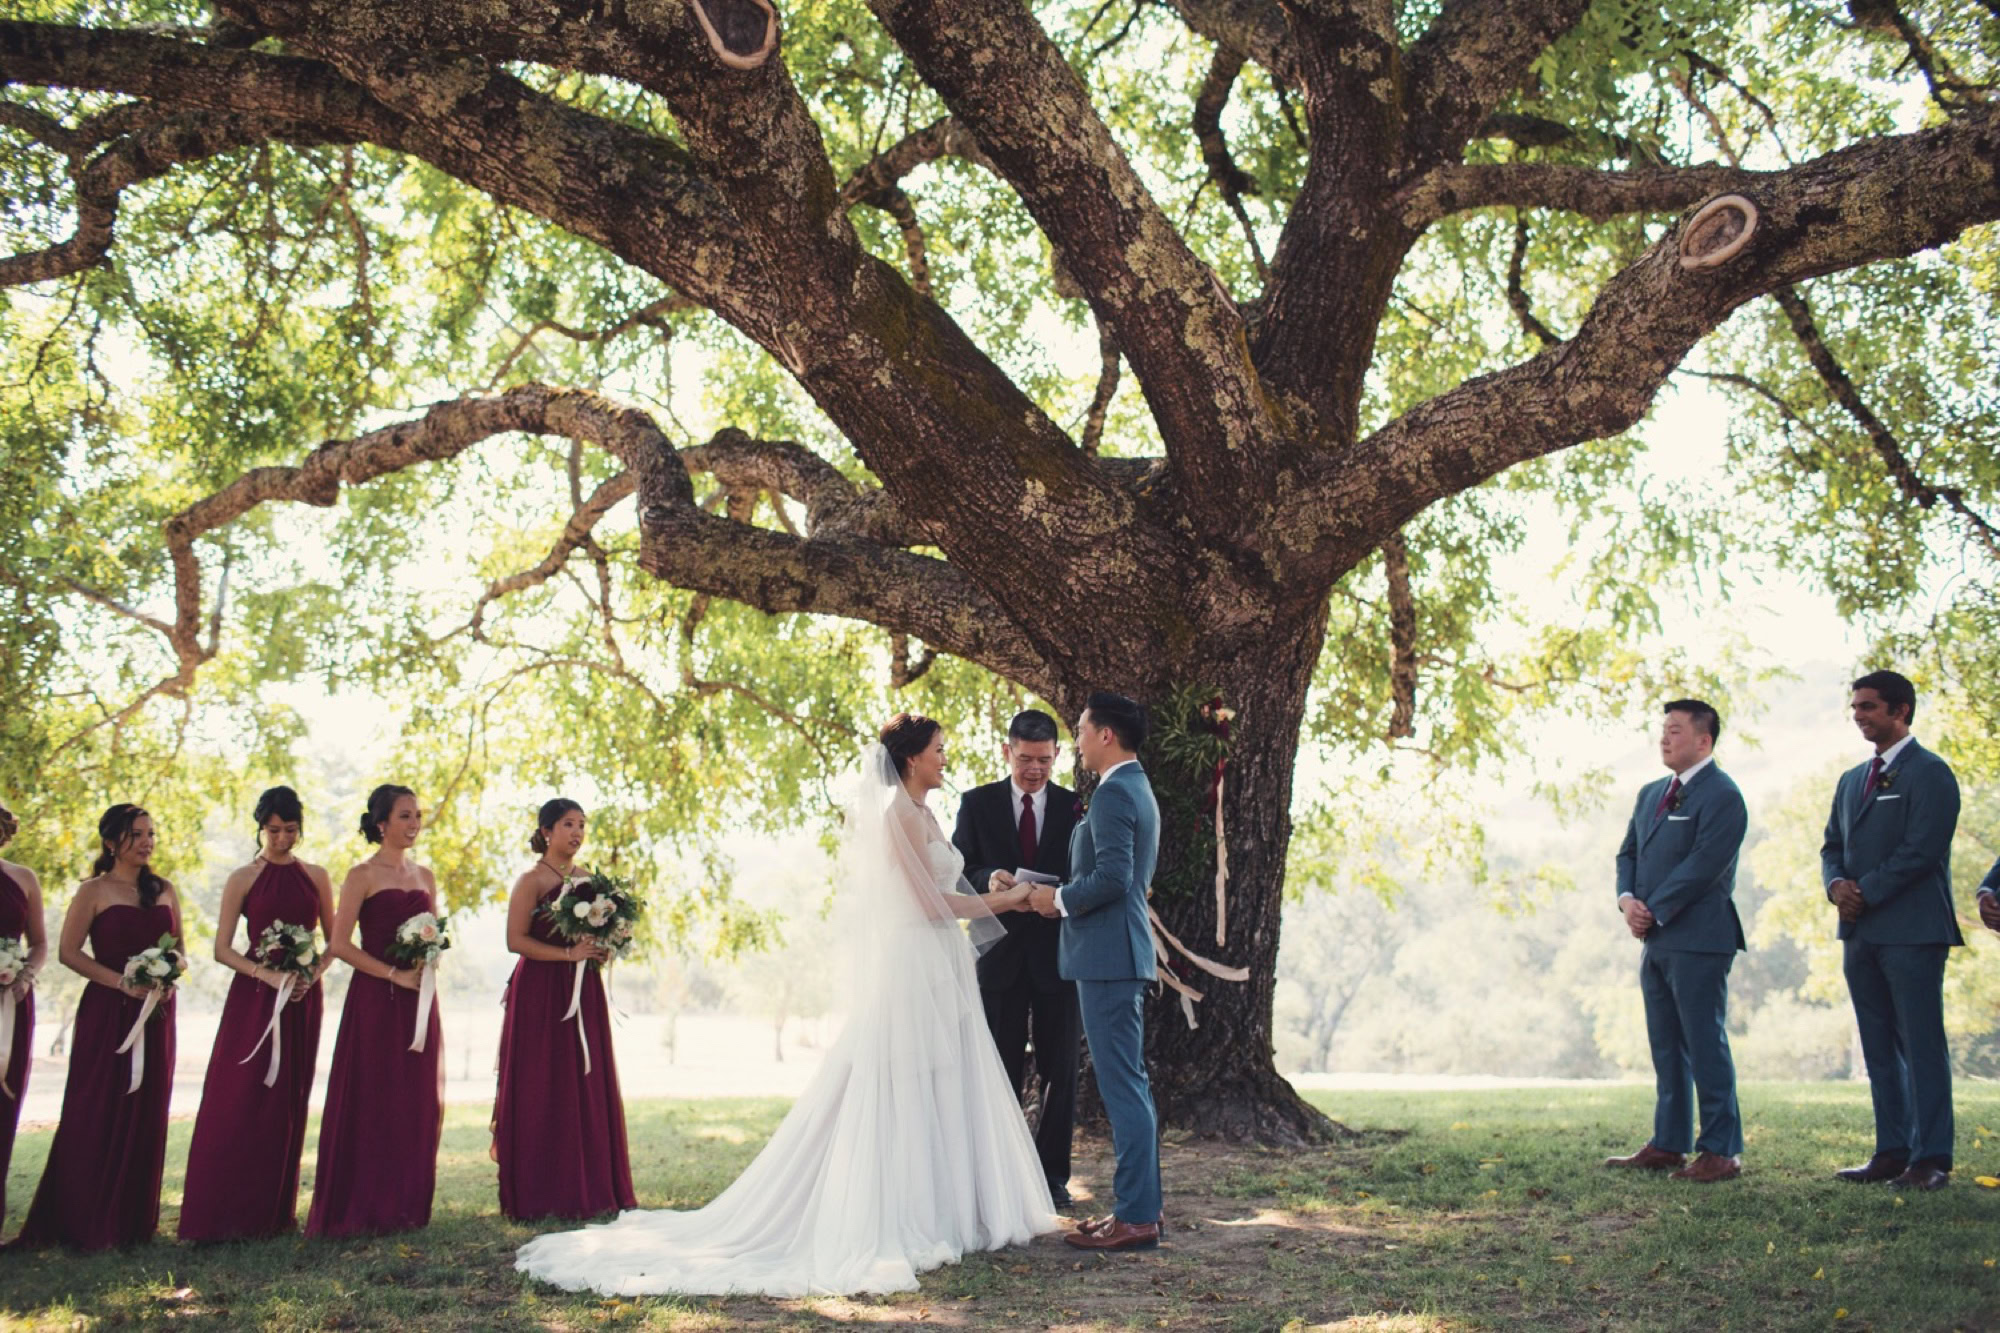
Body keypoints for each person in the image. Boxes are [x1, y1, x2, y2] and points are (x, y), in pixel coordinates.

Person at [515, 715, 1058, 1297]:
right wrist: (1012, 902)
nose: (945, 758)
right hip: (913, 962)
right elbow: (929, 905)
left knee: (940, 1077)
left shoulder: (924, 812)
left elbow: (944, 887)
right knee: (901, 1077)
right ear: (911, 759)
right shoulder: (898, 815)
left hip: (937, 962)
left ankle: (950, 1209)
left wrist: (995, 888)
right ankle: (904, 1211)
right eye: (938, 750)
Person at [1022, 691, 1163, 1252]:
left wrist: (1055, 901)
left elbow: (1112, 879)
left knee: (1122, 1087)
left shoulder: (1115, 793)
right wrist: (1051, 892)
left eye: (1080, 730)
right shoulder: (1131, 787)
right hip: (1114, 956)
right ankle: (1139, 1209)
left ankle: (1136, 1218)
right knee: (1130, 1084)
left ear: (1106, 734)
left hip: (1108, 960)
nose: (1076, 740)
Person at [11, 805, 181, 1250]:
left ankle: (133, 1222)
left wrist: (166, 978)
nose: (146, 842)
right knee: (96, 1109)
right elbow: (68, 953)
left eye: (150, 833)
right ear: (110, 842)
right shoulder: (93, 891)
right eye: (136, 834)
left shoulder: (164, 889)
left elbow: (178, 950)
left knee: (146, 1109)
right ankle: (82, 1220)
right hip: (108, 1013)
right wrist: (123, 983)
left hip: (156, 1015)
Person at [1823, 670, 1962, 1192]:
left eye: (1868, 706)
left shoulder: (1931, 774)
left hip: (1912, 930)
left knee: (1921, 1045)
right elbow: (1831, 846)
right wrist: (1836, 884)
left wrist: (1865, 891)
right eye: (1854, 706)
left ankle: (1931, 1158)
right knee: (1877, 1045)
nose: (1857, 715)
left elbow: (1922, 850)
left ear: (1900, 710)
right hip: (1859, 932)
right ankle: (1892, 1151)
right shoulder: (1850, 780)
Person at [180, 786, 335, 1241]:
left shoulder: (317, 876)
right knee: (239, 1096)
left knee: (286, 1101)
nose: (282, 839)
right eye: (274, 830)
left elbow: (335, 942)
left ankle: (272, 1212)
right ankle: (222, 1211)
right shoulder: (242, 878)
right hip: (254, 998)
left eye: (291, 830)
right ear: (261, 827)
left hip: (301, 999)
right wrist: (267, 976)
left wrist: (310, 975)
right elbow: (222, 949)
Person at [1603, 700, 1748, 1183]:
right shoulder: (1650, 794)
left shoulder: (1724, 795)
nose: (1665, 738)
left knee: (1705, 1044)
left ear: (1704, 741)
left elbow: (1705, 866)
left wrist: (1654, 909)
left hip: (1701, 938)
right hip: (1655, 939)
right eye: (1663, 730)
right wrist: (1628, 901)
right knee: (1665, 1046)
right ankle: (1668, 1144)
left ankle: (1721, 1151)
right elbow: (1627, 854)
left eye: (1676, 731)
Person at [951, 709, 1082, 1208]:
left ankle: (1052, 1179)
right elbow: (958, 869)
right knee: (997, 1070)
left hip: (1058, 957)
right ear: (1007, 752)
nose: (1035, 769)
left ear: (1057, 755)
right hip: (998, 956)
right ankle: (997, 1178)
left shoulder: (1075, 807)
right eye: (1026, 759)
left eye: (1045, 760)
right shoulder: (976, 803)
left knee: (1060, 1072)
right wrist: (990, 879)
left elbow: (1084, 874)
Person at [305, 784, 445, 1237]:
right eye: (405, 816)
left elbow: (434, 933)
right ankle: (364, 1203)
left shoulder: (425, 876)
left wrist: (428, 962)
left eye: (417, 815)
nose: (414, 823)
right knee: (373, 1098)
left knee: (413, 1099)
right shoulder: (361, 875)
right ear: (381, 824)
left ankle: (406, 1204)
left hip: (418, 998)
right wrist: (392, 975)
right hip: (375, 1000)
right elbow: (339, 944)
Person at [491, 797, 636, 1221]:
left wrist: (600, 949)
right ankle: (540, 1189)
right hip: (539, 991)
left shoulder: (591, 881)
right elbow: (515, 940)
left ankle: (590, 1182)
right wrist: (567, 954)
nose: (577, 833)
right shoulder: (531, 881)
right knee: (542, 1081)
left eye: (582, 825)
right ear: (546, 831)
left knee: (584, 1080)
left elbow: (600, 932)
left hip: (582, 989)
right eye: (568, 824)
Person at [0, 800, 48, 1236]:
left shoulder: (23, 878)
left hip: (10, 1005)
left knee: (3, 1102)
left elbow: (39, 943)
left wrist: (25, 975)